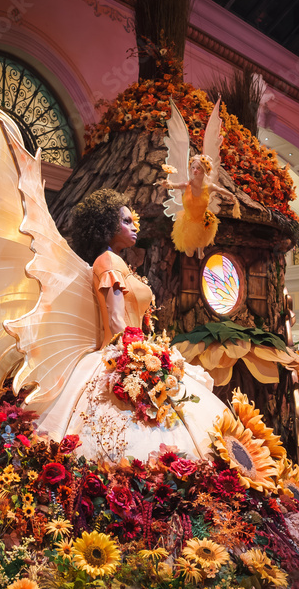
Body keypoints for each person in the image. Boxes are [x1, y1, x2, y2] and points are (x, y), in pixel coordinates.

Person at [25, 189, 229, 463]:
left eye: (133, 221)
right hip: (123, 355)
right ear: (106, 226)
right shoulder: (108, 261)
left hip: (134, 350)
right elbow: (116, 319)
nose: (134, 227)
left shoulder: (118, 262)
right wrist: (137, 363)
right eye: (126, 221)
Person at [160, 153, 239, 259]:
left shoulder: (209, 187)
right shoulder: (186, 185)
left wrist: (231, 196)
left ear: (204, 170)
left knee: (202, 240)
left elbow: (220, 190)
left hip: (203, 220)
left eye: (198, 168)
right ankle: (192, 249)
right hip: (188, 221)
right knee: (189, 251)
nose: (195, 171)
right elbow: (174, 185)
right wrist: (167, 184)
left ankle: (200, 250)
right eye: (193, 168)